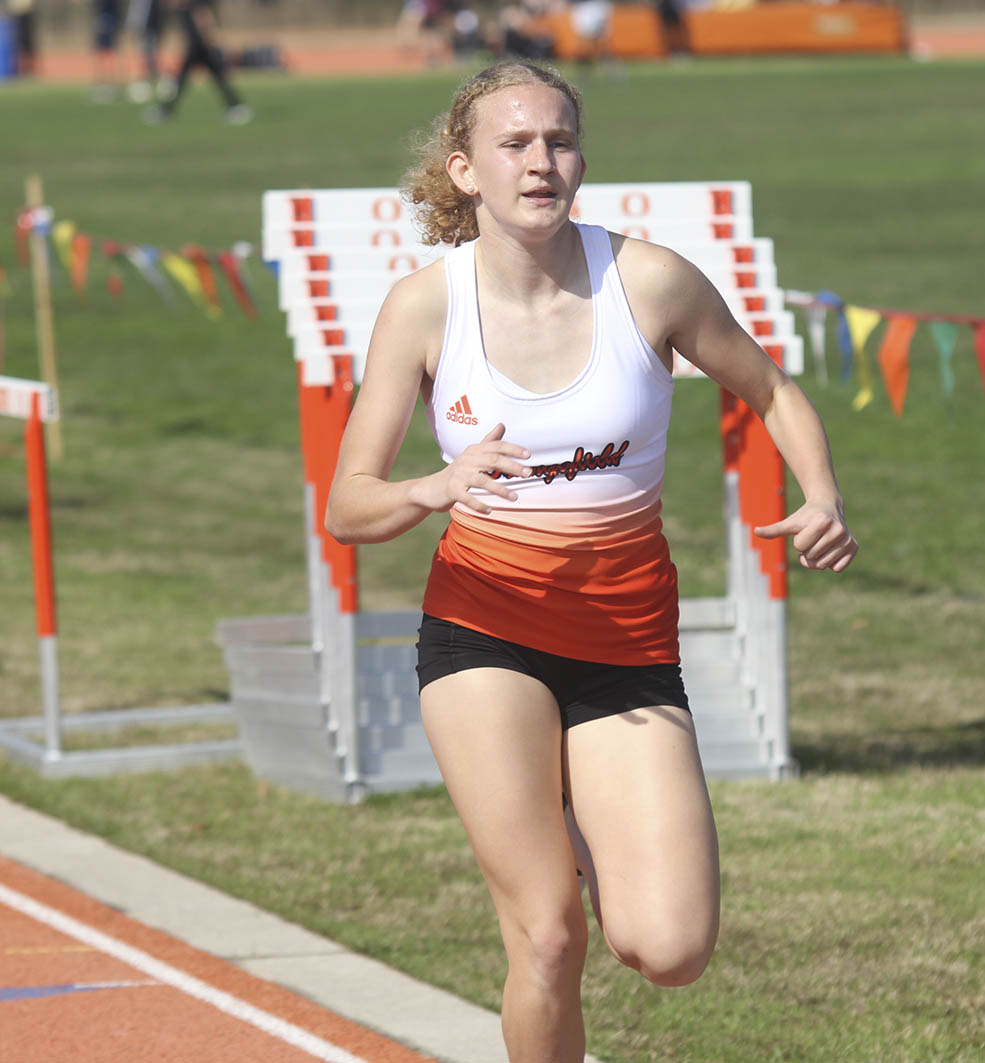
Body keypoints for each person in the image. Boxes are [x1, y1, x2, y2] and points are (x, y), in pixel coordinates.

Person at [325, 60, 857, 1062]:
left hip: (626, 644)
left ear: (582, 157)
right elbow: (348, 505)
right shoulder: (424, 307)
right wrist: (427, 490)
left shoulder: (646, 281)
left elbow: (772, 386)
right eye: (514, 144)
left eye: (559, 140)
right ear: (465, 170)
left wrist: (821, 493)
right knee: (550, 936)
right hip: (484, 634)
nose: (541, 162)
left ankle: (564, 806)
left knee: (670, 946)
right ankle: (543, 829)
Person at [143, 0, 250, 124]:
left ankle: (167, 110)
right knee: (212, 78)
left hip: (199, 46)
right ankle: (235, 105)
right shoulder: (185, 8)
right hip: (197, 46)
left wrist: (209, 37)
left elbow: (204, 18)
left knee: (190, 79)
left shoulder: (197, 4)